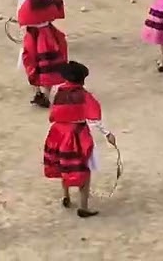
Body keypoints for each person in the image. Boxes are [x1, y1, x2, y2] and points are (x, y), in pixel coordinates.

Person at [42, 61, 116, 219]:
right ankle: (83, 207)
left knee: (63, 165)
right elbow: (95, 118)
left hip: (57, 132)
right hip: (76, 135)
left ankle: (66, 196)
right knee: (83, 169)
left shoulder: (56, 91)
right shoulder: (84, 95)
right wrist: (108, 134)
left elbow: (52, 110)